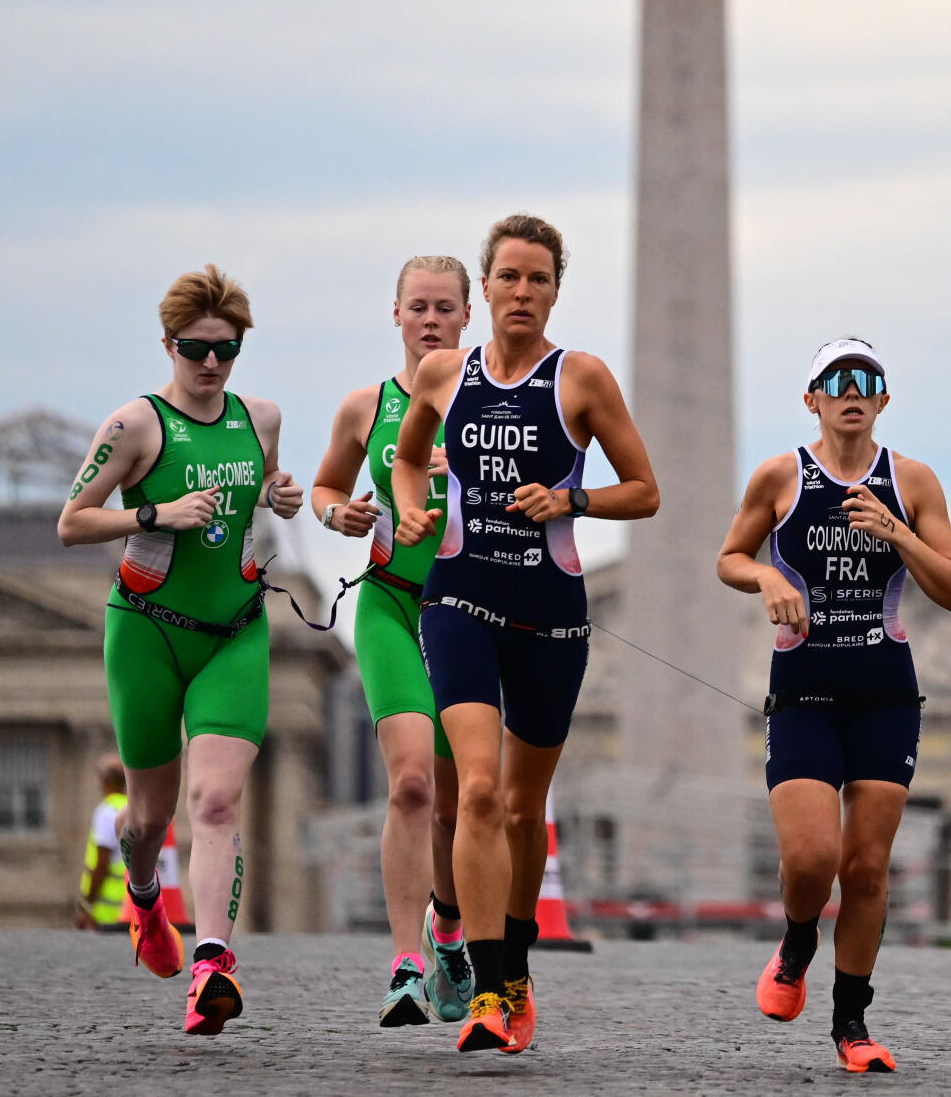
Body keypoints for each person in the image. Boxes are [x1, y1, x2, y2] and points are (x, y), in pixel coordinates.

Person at [390, 214, 660, 1055]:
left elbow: (645, 490)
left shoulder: (580, 380)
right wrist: (408, 507)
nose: (522, 292)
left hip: (551, 615)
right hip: (460, 601)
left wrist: (572, 499)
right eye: (508, 277)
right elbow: (406, 458)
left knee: (519, 807)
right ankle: (484, 983)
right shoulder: (443, 373)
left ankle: (516, 974)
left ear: (554, 292)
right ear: (488, 287)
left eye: (538, 280)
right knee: (472, 789)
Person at [56, 264, 304, 1035]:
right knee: (147, 823)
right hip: (147, 634)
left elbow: (254, 491)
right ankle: (142, 899)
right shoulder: (134, 425)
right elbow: (72, 521)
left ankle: (211, 968)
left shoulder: (260, 418)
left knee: (218, 801)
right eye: (197, 349)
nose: (210, 364)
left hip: (234, 632)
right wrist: (155, 512)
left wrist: (281, 494)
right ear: (169, 344)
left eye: (226, 350)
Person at [719, 338, 951, 1075]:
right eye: (836, 380)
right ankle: (798, 943)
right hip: (803, 691)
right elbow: (729, 556)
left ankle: (852, 1022)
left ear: (884, 401)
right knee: (811, 859)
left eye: (867, 380)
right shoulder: (780, 475)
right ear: (813, 400)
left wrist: (897, 532)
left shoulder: (912, 481)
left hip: (885, 692)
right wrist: (766, 579)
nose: (852, 390)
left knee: (866, 869)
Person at [309, 255, 477, 1026]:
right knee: (411, 783)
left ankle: (450, 928)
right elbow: (326, 488)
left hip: (468, 614)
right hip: (389, 609)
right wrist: (336, 513)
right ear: (398, 315)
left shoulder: (488, 406)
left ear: (466, 319)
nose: (431, 319)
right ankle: (407, 961)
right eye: (419, 306)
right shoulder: (363, 408)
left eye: (446, 307)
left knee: (455, 801)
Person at [77, 758, 130, 930]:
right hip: (131, 907)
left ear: (104, 780)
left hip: (106, 912)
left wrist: (86, 905)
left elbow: (101, 864)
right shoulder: (131, 808)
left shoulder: (106, 812)